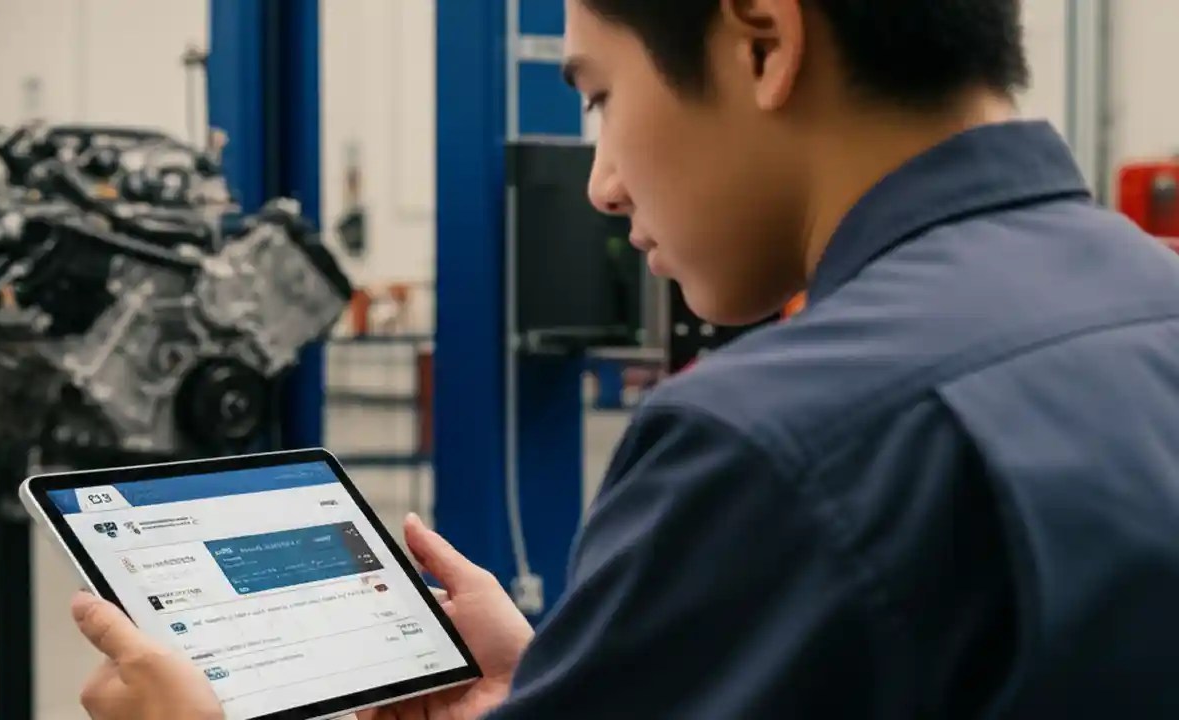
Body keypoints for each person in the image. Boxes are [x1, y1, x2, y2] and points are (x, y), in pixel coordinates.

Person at [71, 0, 1179, 717]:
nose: (601, 183)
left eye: (599, 95)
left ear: (763, 42)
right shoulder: (1152, 303)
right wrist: (569, 681)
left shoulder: (769, 440)